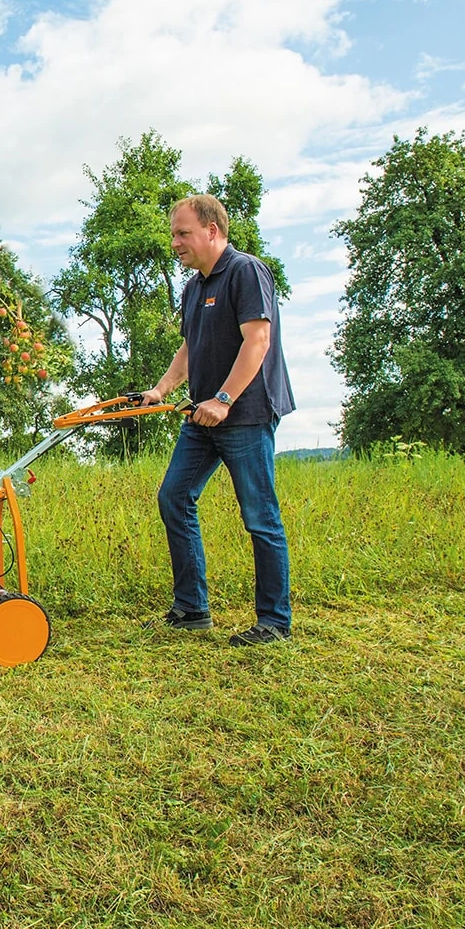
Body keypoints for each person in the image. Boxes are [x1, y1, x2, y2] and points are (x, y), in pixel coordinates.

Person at [141, 194, 295, 646]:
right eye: (173, 234)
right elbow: (190, 347)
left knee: (259, 516)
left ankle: (274, 621)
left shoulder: (245, 271)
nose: (175, 243)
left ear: (212, 230)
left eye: (182, 233)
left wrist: (225, 398)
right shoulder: (194, 287)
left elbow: (258, 340)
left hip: (243, 415)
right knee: (174, 497)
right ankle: (191, 608)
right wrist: (163, 388)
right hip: (202, 416)